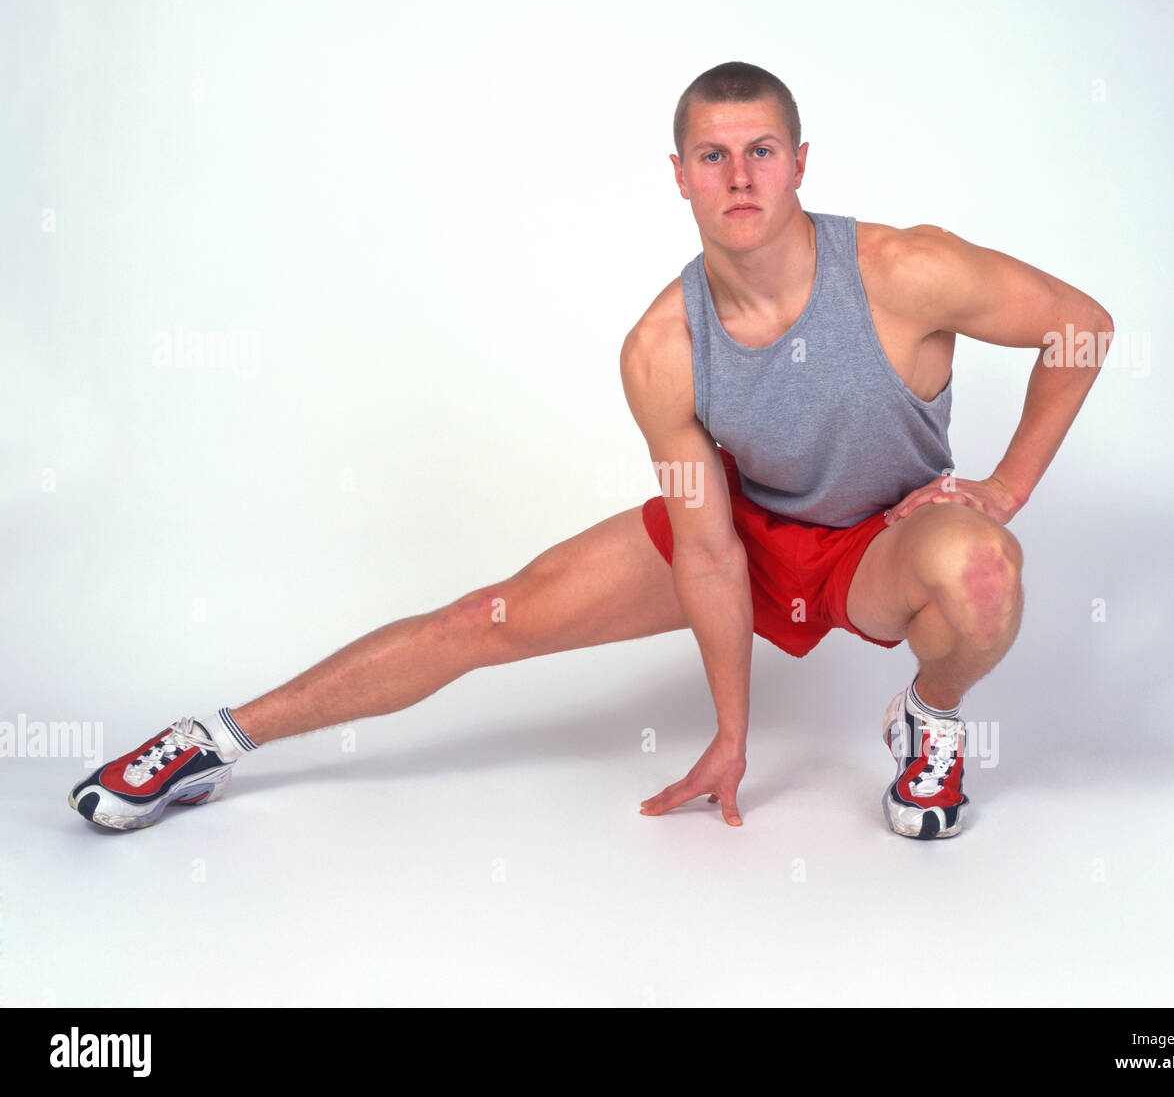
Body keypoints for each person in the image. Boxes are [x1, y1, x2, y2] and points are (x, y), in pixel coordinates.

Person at [69, 61, 1112, 840]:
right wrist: (731, 734)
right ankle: (214, 739)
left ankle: (929, 720)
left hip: (880, 542)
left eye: (760, 151)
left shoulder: (905, 269)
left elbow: (1080, 326)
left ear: (800, 162)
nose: (739, 175)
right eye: (713, 155)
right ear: (679, 176)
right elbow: (708, 552)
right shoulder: (662, 349)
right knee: (488, 617)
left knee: (975, 567)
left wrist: (1007, 484)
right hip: (746, 530)